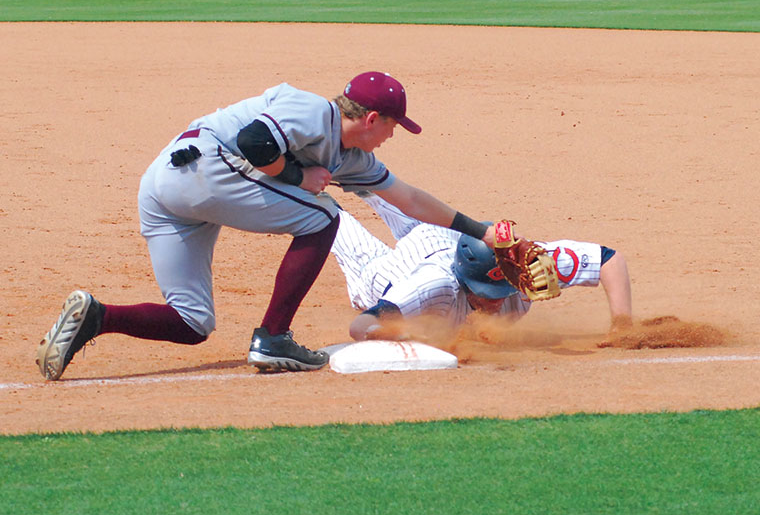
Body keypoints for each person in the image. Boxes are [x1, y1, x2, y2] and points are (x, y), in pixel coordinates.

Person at [36, 71, 507, 379]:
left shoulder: (352, 156)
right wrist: (299, 177)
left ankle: (97, 316)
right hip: (203, 167)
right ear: (370, 118)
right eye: (392, 126)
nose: (392, 136)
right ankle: (274, 337)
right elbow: (254, 140)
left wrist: (477, 230)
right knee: (324, 215)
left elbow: (407, 198)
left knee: (192, 322)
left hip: (166, 188)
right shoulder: (311, 110)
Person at [330, 193, 632, 341]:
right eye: (485, 293)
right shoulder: (432, 287)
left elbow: (608, 259)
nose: (496, 300)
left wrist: (623, 326)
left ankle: (362, 180)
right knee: (333, 224)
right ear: (463, 280)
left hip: (443, 236)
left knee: (402, 204)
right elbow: (360, 325)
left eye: (502, 289)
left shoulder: (524, 268)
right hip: (393, 271)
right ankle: (323, 189)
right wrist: (393, 335)